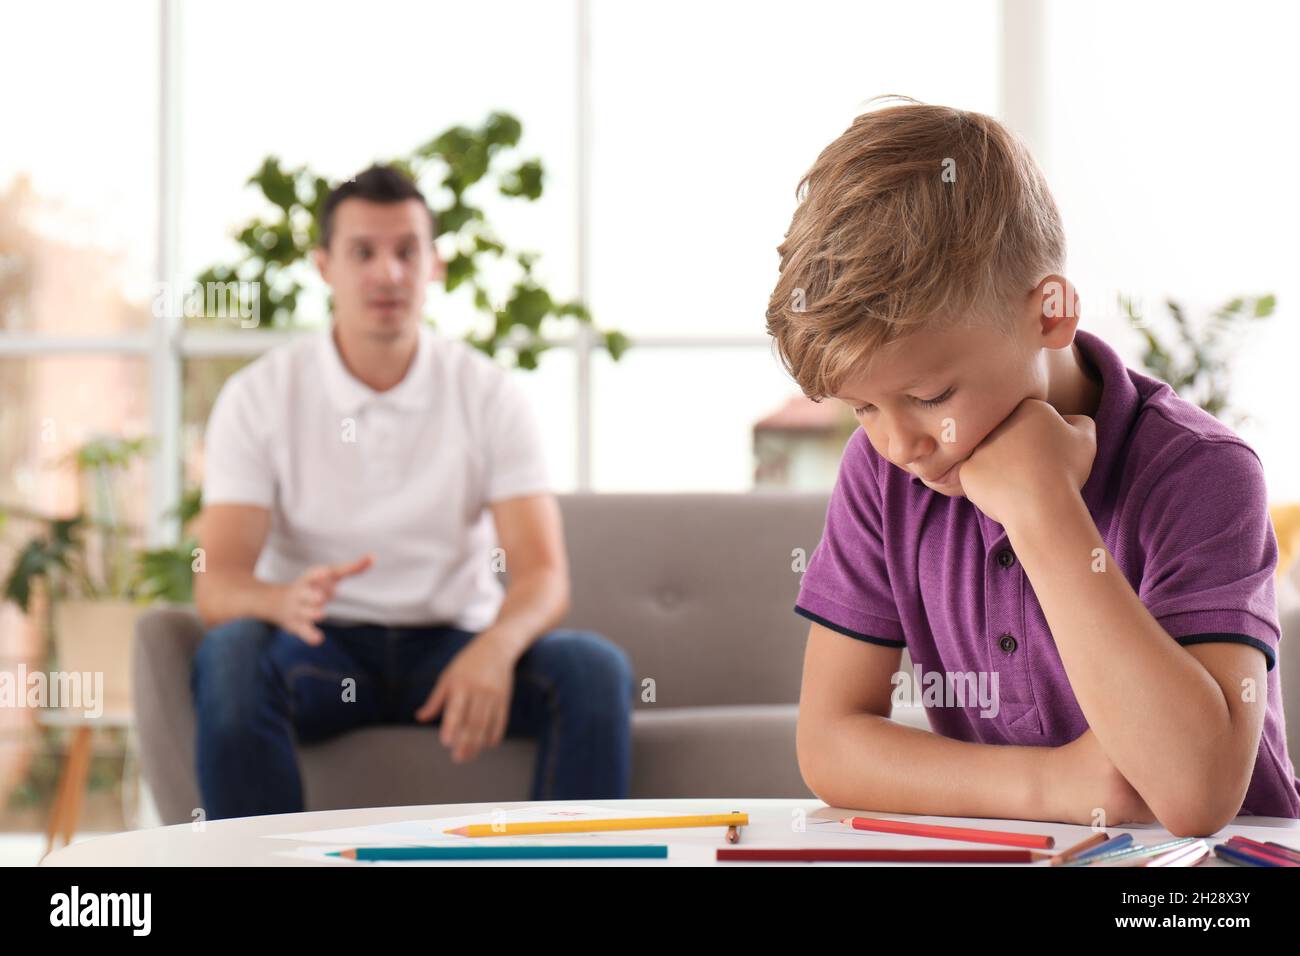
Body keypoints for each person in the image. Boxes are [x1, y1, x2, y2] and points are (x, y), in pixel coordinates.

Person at [766, 97, 1299, 835]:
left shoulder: (1203, 474)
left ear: (1050, 313)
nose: (897, 444)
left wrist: (1044, 510)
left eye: (928, 396)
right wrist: (1050, 785)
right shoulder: (886, 471)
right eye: (862, 408)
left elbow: (1195, 794)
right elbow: (828, 744)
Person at [191, 164, 633, 819]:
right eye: (362, 252)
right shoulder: (260, 395)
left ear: (435, 266)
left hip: (452, 646)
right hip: (319, 648)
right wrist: (279, 599)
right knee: (229, 657)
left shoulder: (488, 393)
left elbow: (543, 576)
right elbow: (217, 582)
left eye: (407, 251)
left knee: (594, 671)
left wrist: (495, 647)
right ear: (323, 266)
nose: (388, 273)